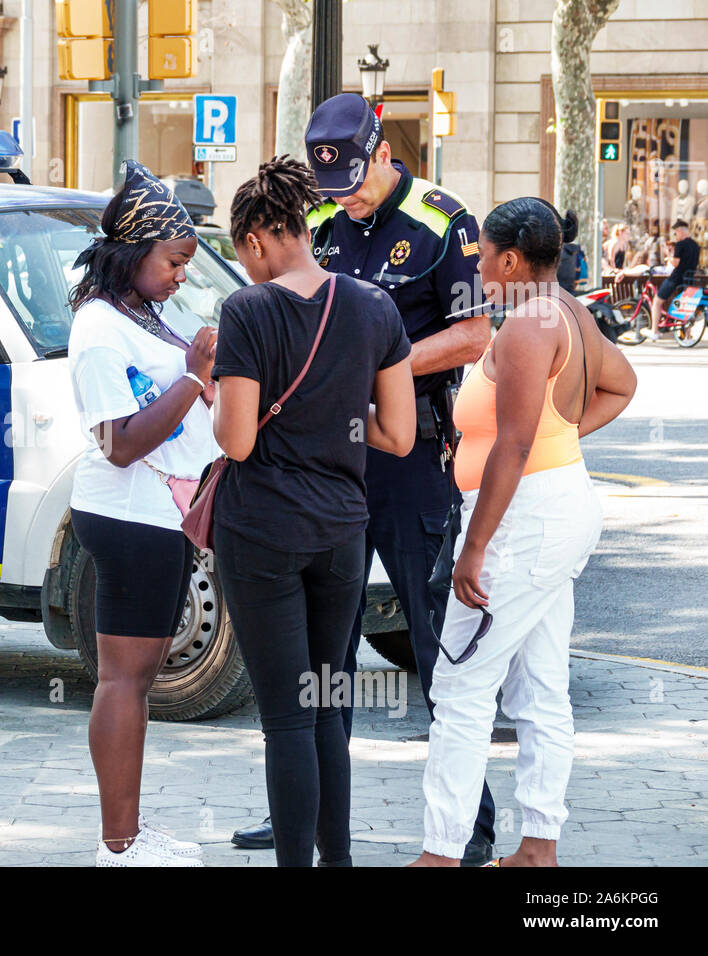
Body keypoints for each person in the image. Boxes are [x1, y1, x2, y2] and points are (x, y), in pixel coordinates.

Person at [231, 93, 499, 865]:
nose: (345, 195)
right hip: (328, 468)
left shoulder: (444, 221)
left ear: (384, 150)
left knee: (431, 641)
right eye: (331, 185)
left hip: (410, 455)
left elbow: (475, 334)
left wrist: (375, 368)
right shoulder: (310, 224)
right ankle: (305, 815)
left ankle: (468, 822)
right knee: (326, 659)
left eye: (354, 177)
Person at [411, 198, 636, 867]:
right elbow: (621, 386)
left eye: (482, 253)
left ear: (510, 259)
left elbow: (510, 446)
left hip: (525, 521)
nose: (477, 265)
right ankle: (538, 847)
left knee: (460, 685)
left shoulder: (528, 326)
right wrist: (559, 439)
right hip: (555, 509)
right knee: (538, 687)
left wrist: (473, 549)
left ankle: (441, 853)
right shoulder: (567, 310)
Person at [212, 156, 416, 867]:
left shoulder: (247, 311)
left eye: (244, 254)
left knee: (286, 721)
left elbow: (236, 441)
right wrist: (336, 410)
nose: (247, 268)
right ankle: (339, 864)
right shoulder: (374, 306)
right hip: (342, 537)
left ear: (259, 237)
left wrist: (221, 398)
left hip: (262, 534)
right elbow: (397, 434)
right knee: (329, 702)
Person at [67, 160, 217, 867]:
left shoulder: (139, 314)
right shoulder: (99, 328)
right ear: (135, 251)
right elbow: (119, 442)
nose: (182, 274)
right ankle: (118, 844)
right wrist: (192, 376)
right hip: (129, 513)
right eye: (174, 261)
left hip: (159, 515)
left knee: (140, 676)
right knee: (123, 678)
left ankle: (127, 829)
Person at [651, 220, 701, 337]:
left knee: (657, 302)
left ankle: (654, 331)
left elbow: (675, 263)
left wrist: (668, 254)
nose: (676, 236)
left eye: (676, 233)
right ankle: (688, 335)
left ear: (680, 231)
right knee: (686, 308)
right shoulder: (696, 246)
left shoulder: (680, 244)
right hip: (688, 280)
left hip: (675, 278)